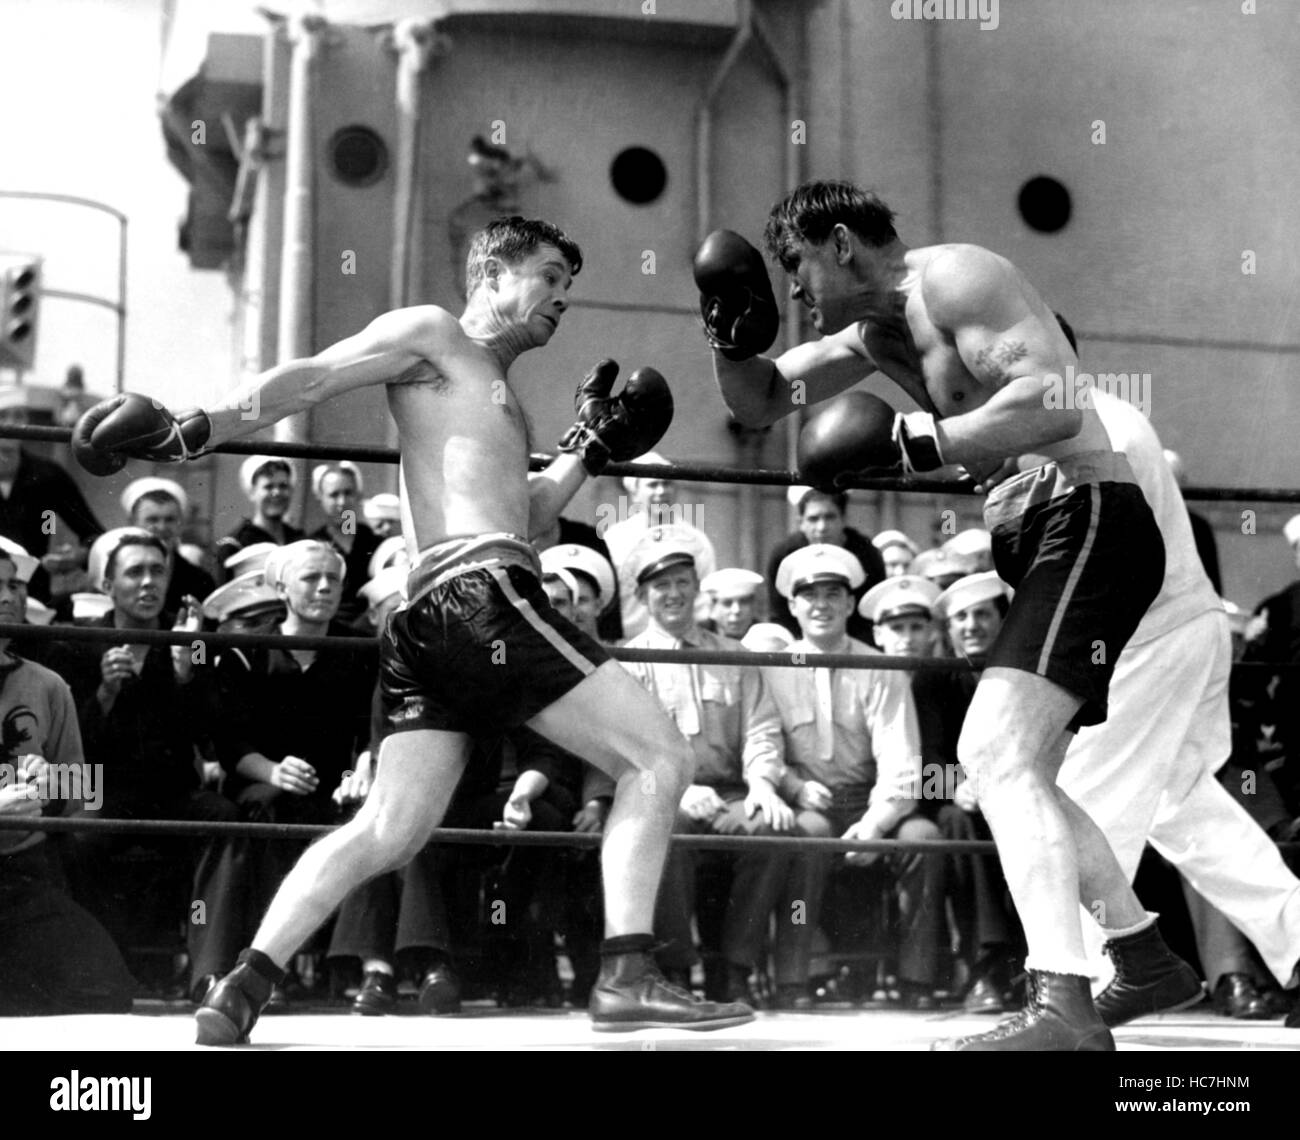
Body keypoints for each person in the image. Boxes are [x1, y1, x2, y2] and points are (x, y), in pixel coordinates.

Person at [73, 214, 753, 1042]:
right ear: (491, 276)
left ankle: (242, 986)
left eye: (568, 287)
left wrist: (589, 448)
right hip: (481, 596)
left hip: (432, 618)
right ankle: (627, 974)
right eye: (548, 277)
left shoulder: (493, 397)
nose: (561, 298)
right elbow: (313, 379)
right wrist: (194, 428)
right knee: (661, 756)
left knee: (388, 829)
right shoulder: (435, 334)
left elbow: (528, 514)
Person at [699, 179, 1195, 1049]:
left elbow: (1057, 402)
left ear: (841, 242)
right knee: (1020, 769)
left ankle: (1064, 1007)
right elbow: (762, 401)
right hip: (1032, 534)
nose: (794, 290)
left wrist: (913, 442)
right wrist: (726, 339)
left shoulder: (958, 278)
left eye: (797, 265)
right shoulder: (871, 334)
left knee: (992, 754)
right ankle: (1142, 955)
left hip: (1083, 511)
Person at [762, 544, 942, 1009]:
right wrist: (793, 786)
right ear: (792, 606)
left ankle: (916, 978)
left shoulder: (880, 668)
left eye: (833, 595)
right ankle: (794, 977)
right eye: (810, 596)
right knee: (805, 838)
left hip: (875, 800)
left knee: (923, 839)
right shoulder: (773, 671)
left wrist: (876, 823)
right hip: (812, 802)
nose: (821, 605)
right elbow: (763, 747)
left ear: (849, 603)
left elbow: (901, 760)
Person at [619, 527, 792, 1003]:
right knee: (663, 830)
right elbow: (628, 747)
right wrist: (677, 789)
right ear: (642, 596)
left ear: (698, 590)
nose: (674, 594)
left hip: (731, 792)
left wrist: (763, 785)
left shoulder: (732, 655)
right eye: (661, 586)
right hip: (662, 793)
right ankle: (676, 968)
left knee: (770, 830)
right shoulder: (628, 663)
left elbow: (761, 729)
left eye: (682, 583)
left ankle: (734, 968)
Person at [0, 542, 136, 1015]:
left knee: (105, 989)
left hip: (21, 873)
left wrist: (51, 786)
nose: (8, 596)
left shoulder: (47, 684)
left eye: (14, 584)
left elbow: (85, 794)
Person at [602, 453, 717, 640]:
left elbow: (705, 604)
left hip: (680, 643)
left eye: (667, 483)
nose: (661, 491)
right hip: (628, 643)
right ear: (635, 492)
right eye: (653, 485)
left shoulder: (695, 541)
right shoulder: (615, 538)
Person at [765, 485, 885, 641]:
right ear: (800, 522)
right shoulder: (783, 555)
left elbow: (873, 613)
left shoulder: (867, 554)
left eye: (830, 517)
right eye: (813, 519)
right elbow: (780, 616)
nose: (822, 527)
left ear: (844, 519)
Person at [121, 476, 216, 612]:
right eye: (152, 520)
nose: (162, 527)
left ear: (181, 523)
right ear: (132, 523)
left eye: (170, 519)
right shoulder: (116, 574)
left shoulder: (200, 581)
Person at [308, 462, 382, 625]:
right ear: (320, 497)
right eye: (334, 495)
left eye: (348, 493)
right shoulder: (313, 545)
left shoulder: (374, 542)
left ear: (357, 495)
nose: (342, 502)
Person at [213, 456, 304, 570]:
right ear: (252, 492)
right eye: (268, 487)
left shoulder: (299, 541)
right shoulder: (235, 545)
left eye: (283, 486)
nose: (276, 492)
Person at [699, 567, 765, 641]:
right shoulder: (698, 637)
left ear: (753, 606)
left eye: (744, 602)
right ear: (712, 608)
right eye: (727, 603)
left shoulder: (765, 636)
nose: (736, 610)